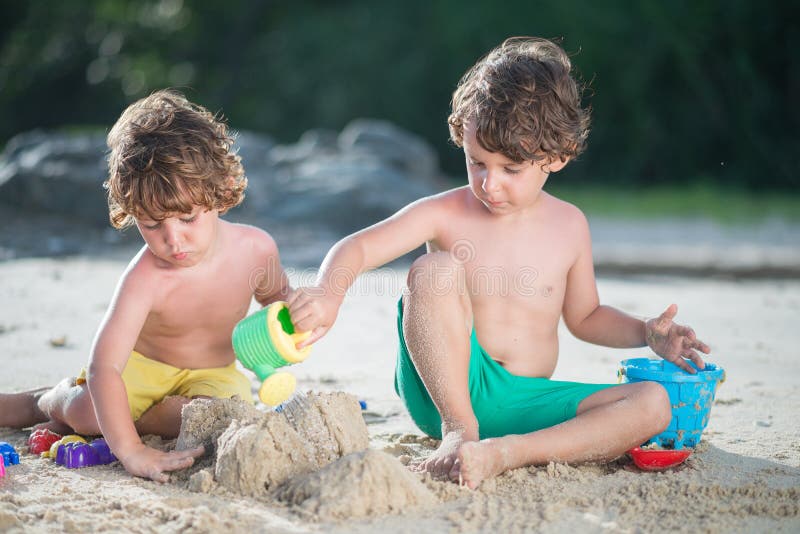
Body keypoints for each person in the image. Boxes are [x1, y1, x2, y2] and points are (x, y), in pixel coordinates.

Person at [286, 37, 711, 489]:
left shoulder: (569, 226)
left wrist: (646, 333)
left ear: (559, 155)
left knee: (653, 404)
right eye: (477, 163)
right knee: (434, 270)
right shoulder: (444, 213)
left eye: (511, 169)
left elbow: (586, 317)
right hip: (445, 392)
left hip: (525, 402)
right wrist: (328, 293)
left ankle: (505, 453)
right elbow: (358, 248)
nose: (490, 184)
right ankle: (460, 432)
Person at [0, 90, 290, 482]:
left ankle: (132, 419)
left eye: (187, 219)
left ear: (219, 193)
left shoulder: (256, 249)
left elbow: (278, 302)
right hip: (139, 370)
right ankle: (44, 400)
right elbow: (105, 366)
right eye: (152, 224)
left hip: (213, 373)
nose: (172, 240)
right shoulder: (145, 278)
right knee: (90, 415)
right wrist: (131, 450)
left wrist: (296, 315)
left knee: (217, 416)